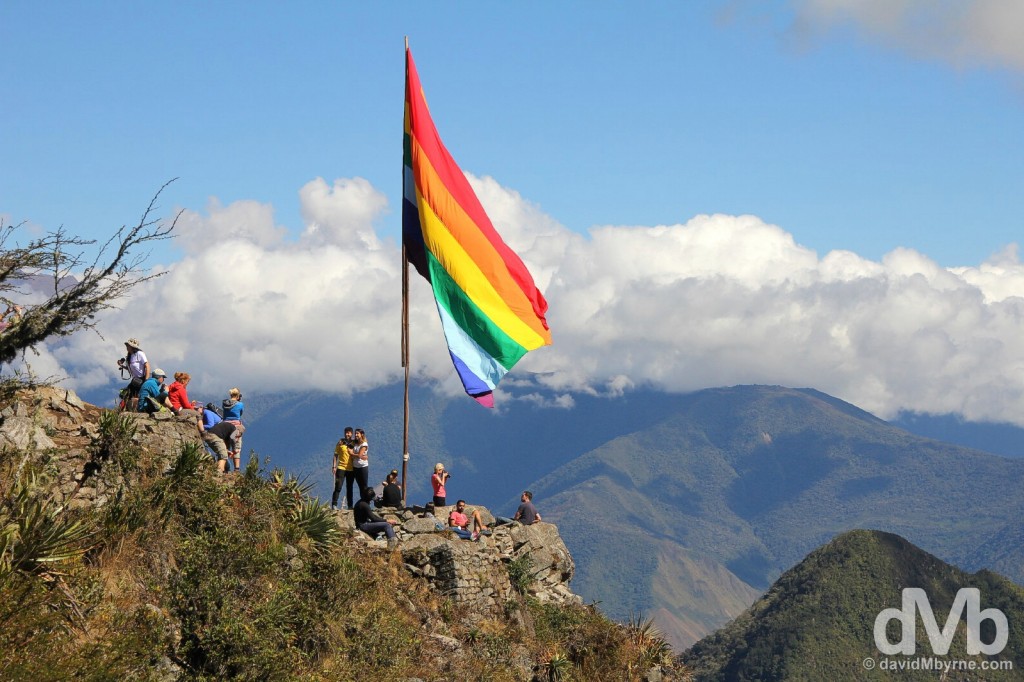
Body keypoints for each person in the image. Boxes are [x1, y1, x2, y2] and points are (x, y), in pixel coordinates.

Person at [118, 337, 149, 411]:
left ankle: (135, 410)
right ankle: (122, 410)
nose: (127, 347)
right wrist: (122, 366)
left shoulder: (140, 354)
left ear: (132, 346)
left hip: (142, 379)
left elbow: (147, 366)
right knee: (125, 394)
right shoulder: (130, 356)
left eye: (128, 345)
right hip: (135, 380)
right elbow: (131, 370)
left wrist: (146, 380)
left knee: (136, 396)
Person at [331, 427, 356, 510]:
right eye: (345, 432)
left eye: (348, 433)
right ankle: (334, 504)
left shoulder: (354, 443)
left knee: (349, 488)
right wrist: (334, 466)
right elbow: (335, 455)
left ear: (351, 433)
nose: (347, 434)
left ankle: (350, 506)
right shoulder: (340, 442)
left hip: (351, 468)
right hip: (341, 467)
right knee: (338, 486)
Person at [221, 388, 245, 472]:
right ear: (238, 395)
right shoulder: (240, 404)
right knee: (236, 446)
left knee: (225, 447)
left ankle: (223, 468)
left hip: (225, 427)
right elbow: (240, 413)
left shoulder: (224, 404)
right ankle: (236, 469)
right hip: (235, 428)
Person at [351, 427, 369, 499]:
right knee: (359, 485)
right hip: (355, 466)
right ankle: (362, 499)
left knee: (364, 485)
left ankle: (366, 500)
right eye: (355, 433)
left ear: (362, 434)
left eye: (357, 433)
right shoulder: (355, 443)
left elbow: (359, 455)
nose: (356, 435)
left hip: (363, 466)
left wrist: (352, 454)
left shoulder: (364, 444)